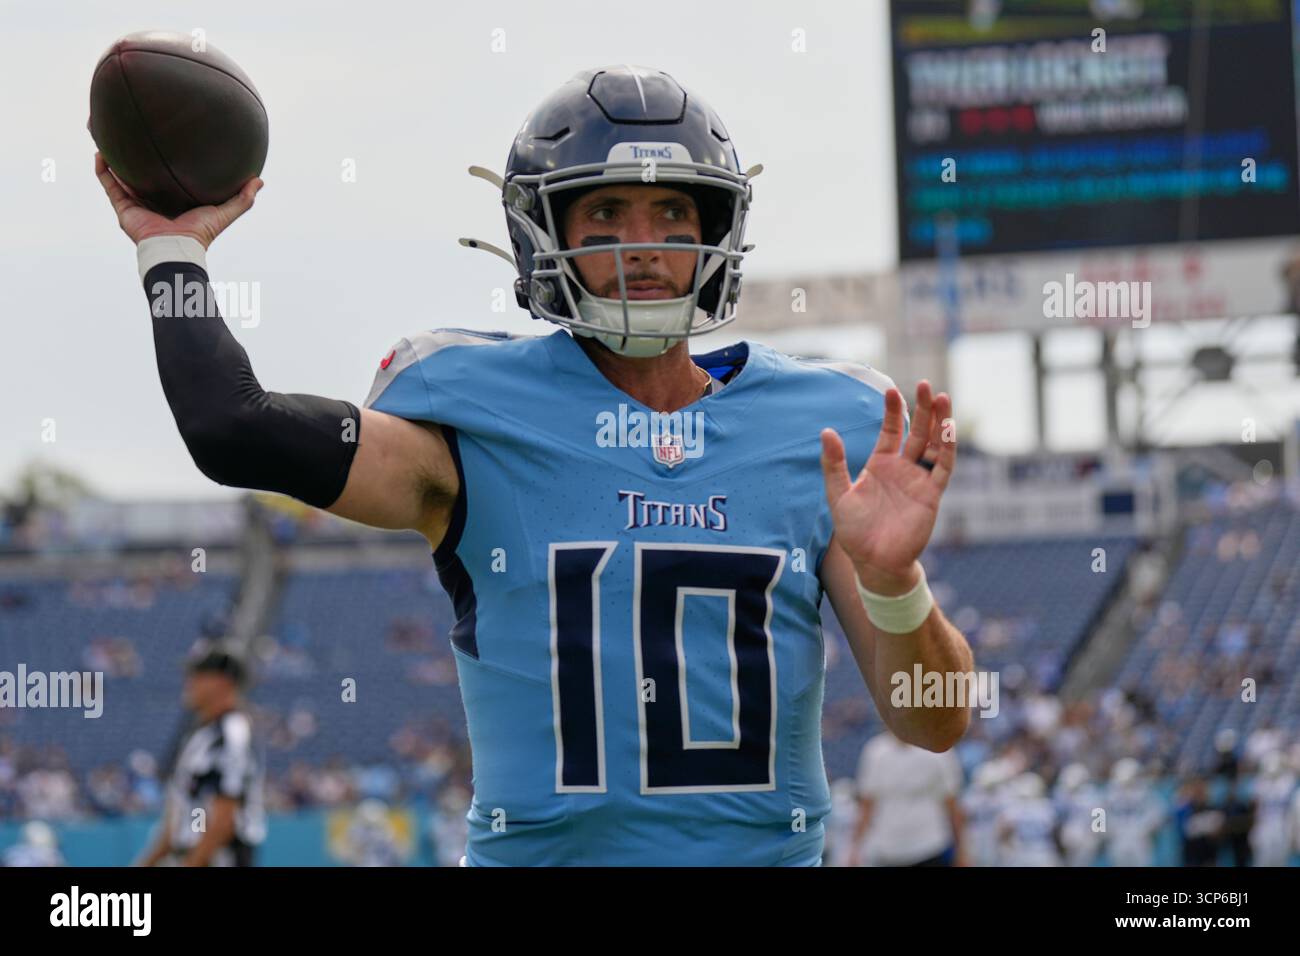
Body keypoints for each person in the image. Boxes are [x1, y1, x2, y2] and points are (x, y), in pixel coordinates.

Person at [98, 65, 972, 866]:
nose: (643, 244)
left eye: (673, 212)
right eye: (605, 214)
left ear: (718, 227)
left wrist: (895, 581)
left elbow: (934, 721)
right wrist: (173, 254)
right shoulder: (475, 413)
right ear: (542, 230)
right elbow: (231, 429)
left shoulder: (825, 430)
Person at [136, 647, 266, 866]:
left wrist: (193, 862)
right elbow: (178, 818)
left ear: (222, 681)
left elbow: (224, 817)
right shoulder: (201, 736)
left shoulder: (232, 733)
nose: (189, 683)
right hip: (194, 855)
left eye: (199, 676)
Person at [849, 731, 965, 866]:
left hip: (931, 847)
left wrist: (962, 850)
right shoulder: (875, 751)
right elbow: (867, 806)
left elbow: (952, 806)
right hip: (887, 851)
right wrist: (855, 848)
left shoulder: (939, 750)